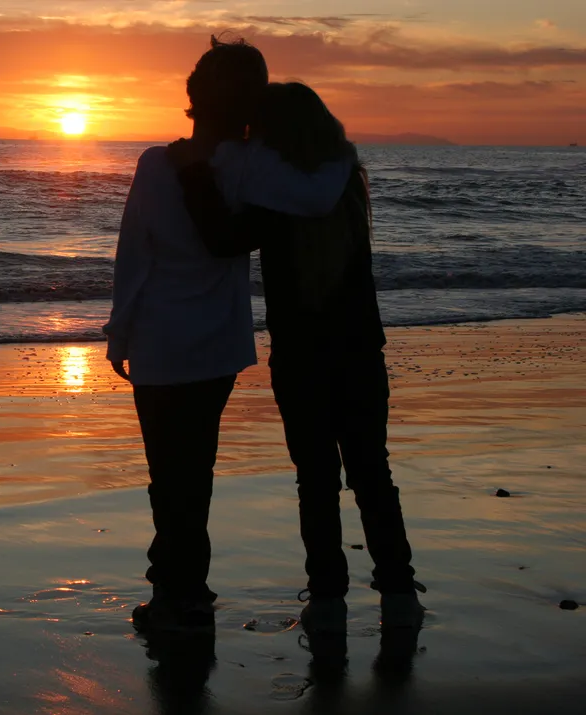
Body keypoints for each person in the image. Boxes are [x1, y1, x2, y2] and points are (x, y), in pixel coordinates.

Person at [103, 39, 354, 633]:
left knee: (169, 473)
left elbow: (132, 259)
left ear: (193, 96)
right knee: (195, 470)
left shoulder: (156, 163)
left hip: (162, 341)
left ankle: (177, 593)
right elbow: (319, 195)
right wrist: (345, 153)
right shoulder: (250, 163)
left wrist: (119, 334)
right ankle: (184, 591)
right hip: (214, 343)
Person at [167, 81, 425, 635]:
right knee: (371, 470)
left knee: (316, 477)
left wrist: (192, 171)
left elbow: (221, 238)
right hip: (359, 348)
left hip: (302, 354)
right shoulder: (347, 181)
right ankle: (399, 588)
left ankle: (328, 596)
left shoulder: (273, 197)